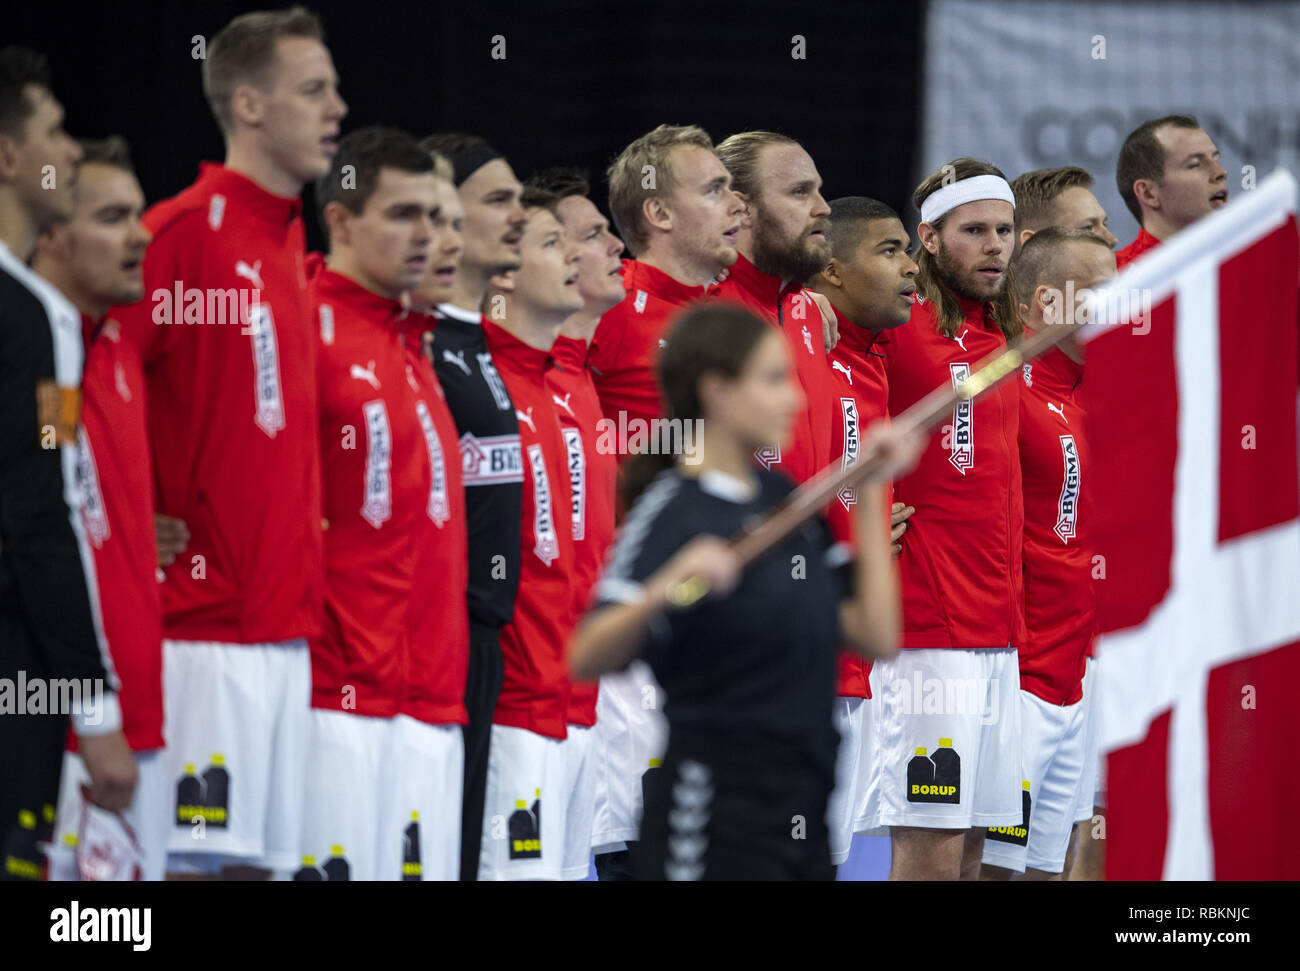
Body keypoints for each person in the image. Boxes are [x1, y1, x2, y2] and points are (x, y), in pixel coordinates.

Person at [109, 7, 346, 878]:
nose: (337, 109)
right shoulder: (180, 230)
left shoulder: (286, 241)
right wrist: (113, 513)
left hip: (287, 631)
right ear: (248, 104)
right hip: (201, 632)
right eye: (313, 90)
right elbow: (70, 385)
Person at [570, 302, 920, 880]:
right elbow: (589, 653)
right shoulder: (671, 507)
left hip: (801, 808)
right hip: (710, 820)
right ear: (718, 392)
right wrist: (670, 587)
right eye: (775, 380)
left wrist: (871, 487)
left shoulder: (782, 503)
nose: (798, 399)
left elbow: (875, 636)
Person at [300, 127, 466, 881]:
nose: (428, 236)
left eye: (436, 216)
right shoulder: (303, 325)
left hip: (430, 697)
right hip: (335, 699)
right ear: (340, 219)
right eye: (404, 215)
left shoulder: (412, 343)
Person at [861, 158, 1026, 881]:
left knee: (973, 853)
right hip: (929, 628)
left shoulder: (1006, 336)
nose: (994, 245)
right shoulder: (896, 326)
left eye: (1004, 230)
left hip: (1000, 627)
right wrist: (858, 517)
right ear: (928, 238)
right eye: (974, 231)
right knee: (928, 848)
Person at [587, 123, 744, 879]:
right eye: (714, 189)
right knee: (640, 852)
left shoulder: (730, 323)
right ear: (658, 213)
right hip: (639, 634)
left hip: (724, 625)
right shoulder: (610, 310)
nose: (733, 203)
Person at [0, 49, 135, 881]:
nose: (74, 152)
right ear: (9, 156)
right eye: (56, 133)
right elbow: (43, 508)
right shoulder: (41, 317)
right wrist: (92, 702)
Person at [31, 136, 167, 881]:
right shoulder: (46, 363)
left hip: (134, 713)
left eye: (141, 214)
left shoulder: (116, 349)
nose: (141, 235)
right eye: (114, 216)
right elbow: (44, 528)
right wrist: (89, 711)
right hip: (61, 722)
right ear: (52, 233)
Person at [979, 227, 1114, 881]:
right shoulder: (1002, 392)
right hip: (1019, 688)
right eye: (1099, 292)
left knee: (1050, 873)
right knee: (993, 871)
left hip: (1078, 684)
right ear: (1042, 303)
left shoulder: (1104, 396)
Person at [416, 132, 527, 881]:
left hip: (484, 643)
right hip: (430, 641)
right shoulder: (418, 339)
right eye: (499, 199)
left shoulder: (476, 340)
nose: (519, 212)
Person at [809, 195, 919, 865]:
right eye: (889, 250)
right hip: (798, 658)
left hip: (855, 664)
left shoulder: (874, 359)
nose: (910, 267)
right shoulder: (797, 344)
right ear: (830, 270)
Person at [477, 193, 581, 880]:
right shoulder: (482, 380)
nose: (574, 255)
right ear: (504, 272)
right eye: (552, 243)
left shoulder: (558, 384)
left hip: (571, 706)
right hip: (511, 704)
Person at [526, 168, 624, 879]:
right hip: (522, 703)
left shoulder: (582, 379)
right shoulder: (519, 381)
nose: (614, 244)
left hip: (581, 703)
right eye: (591, 235)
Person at [1114, 115, 1227, 269]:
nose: (1220, 172)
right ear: (1148, 193)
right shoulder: (1111, 282)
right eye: (1195, 165)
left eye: (1216, 160)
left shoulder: (1247, 265)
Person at [1008, 166, 1118, 257]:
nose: (1112, 240)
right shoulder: (1069, 284)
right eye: (1088, 228)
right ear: (1033, 247)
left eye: (1105, 224)